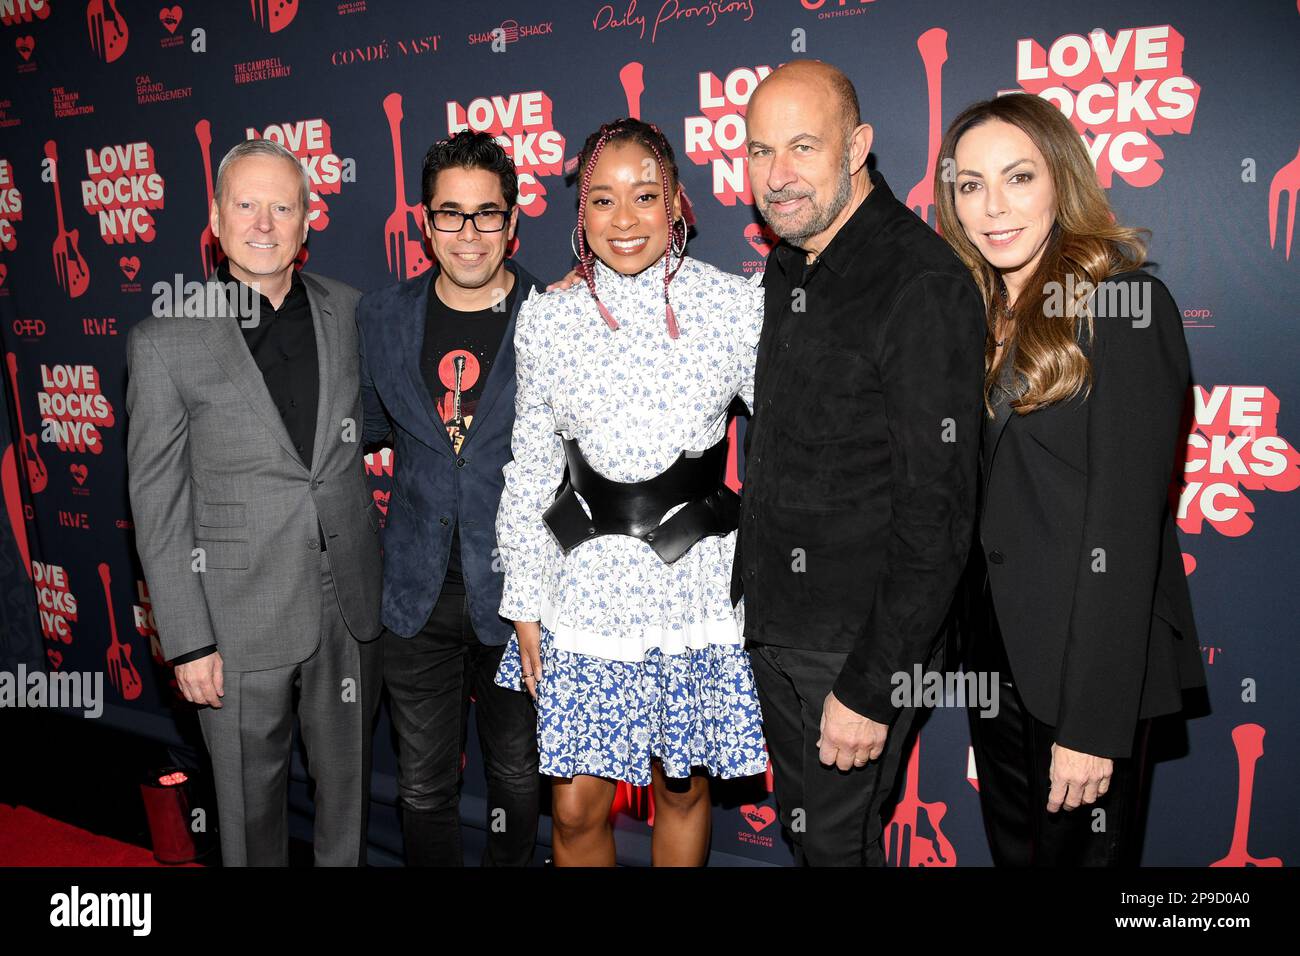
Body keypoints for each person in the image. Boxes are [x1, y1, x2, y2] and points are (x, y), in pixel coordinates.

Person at [934, 93, 1207, 866]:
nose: (994, 208)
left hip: (1086, 667)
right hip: (997, 658)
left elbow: (1124, 532)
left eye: (1018, 178)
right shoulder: (974, 313)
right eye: (970, 184)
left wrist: (1092, 725)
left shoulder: (1124, 306)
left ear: (1061, 179)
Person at [493, 117, 767, 866]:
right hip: (584, 587)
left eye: (645, 196)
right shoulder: (548, 319)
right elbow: (529, 468)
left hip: (694, 586)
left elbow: (788, 440)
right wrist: (525, 602)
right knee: (578, 809)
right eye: (604, 200)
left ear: (677, 203)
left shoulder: (733, 307)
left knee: (679, 788)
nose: (625, 220)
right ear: (580, 212)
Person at [734, 60, 986, 866]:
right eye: (759, 151)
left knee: (836, 849)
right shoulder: (788, 265)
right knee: (817, 842)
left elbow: (938, 510)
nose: (777, 176)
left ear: (859, 146)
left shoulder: (920, 283)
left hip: (854, 649)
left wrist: (873, 685)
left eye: (803, 147)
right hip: (775, 627)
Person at [126, 138, 383, 866]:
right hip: (234, 618)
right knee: (246, 814)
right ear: (215, 217)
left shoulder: (353, 312)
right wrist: (188, 639)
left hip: (348, 605)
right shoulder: (164, 341)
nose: (264, 223)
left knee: (348, 804)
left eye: (283, 206)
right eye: (246, 204)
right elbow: (157, 499)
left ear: (307, 222)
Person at [356, 131, 541, 866]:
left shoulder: (554, 315)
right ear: (425, 222)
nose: (469, 235)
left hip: (521, 597)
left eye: (487, 214)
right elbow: (361, 431)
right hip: (415, 595)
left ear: (512, 221)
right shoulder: (381, 317)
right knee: (424, 787)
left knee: (519, 777)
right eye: (451, 214)